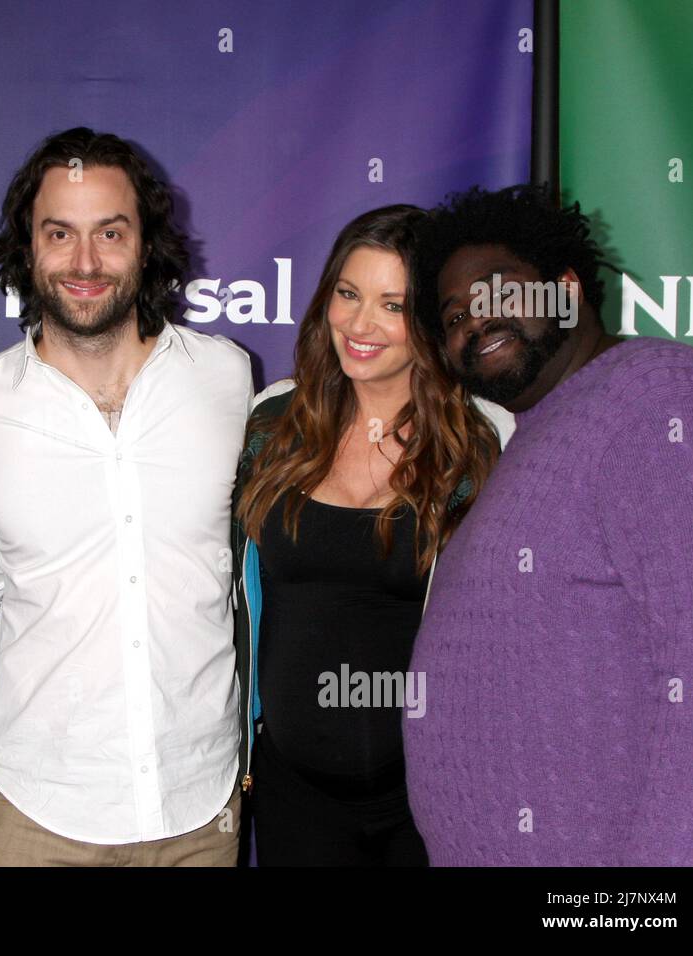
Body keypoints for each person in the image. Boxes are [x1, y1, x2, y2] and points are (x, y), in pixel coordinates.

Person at [0, 127, 252, 866]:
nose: (84, 262)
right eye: (59, 233)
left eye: (111, 232)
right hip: (38, 812)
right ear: (27, 247)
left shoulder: (225, 379)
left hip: (200, 808)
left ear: (147, 245)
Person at [404, 183, 693, 865]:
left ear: (569, 285)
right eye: (454, 313)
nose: (474, 320)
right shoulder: (542, 432)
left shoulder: (659, 397)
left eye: (498, 290)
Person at [231, 205, 508, 866]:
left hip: (428, 798)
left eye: (392, 305)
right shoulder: (273, 420)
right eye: (348, 294)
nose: (359, 325)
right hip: (291, 794)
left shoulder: (484, 442)